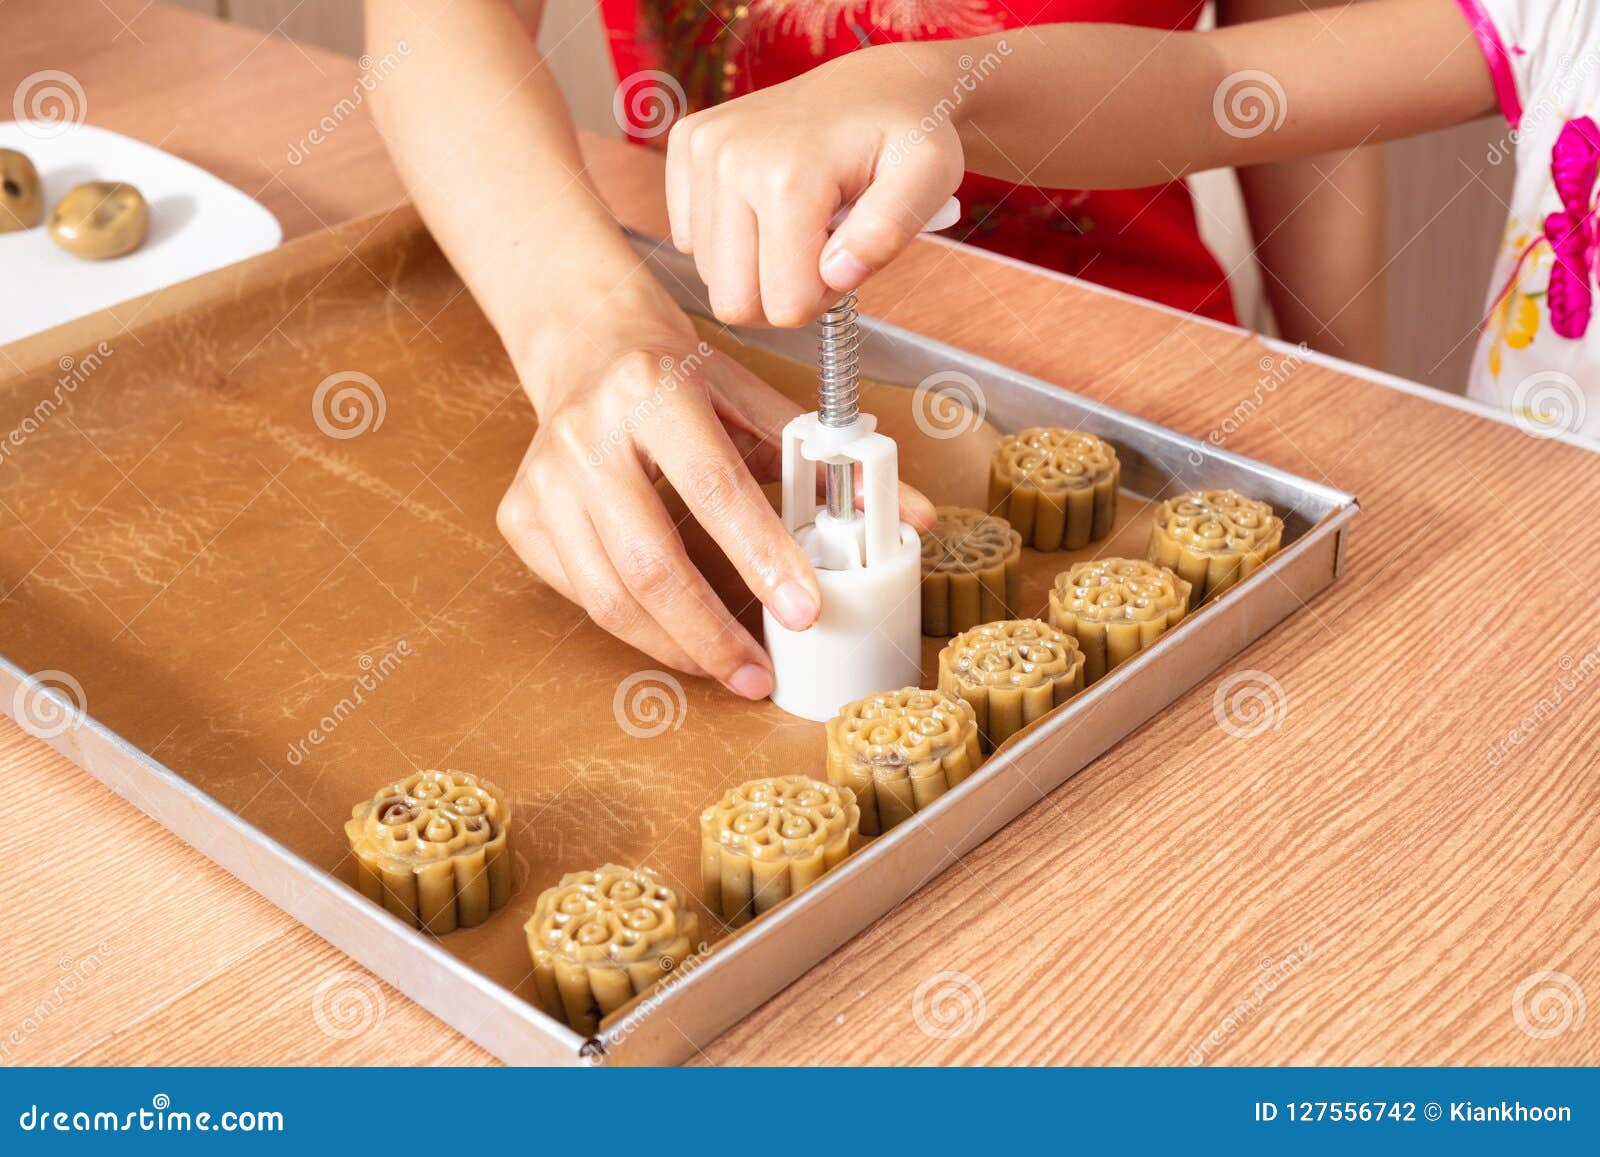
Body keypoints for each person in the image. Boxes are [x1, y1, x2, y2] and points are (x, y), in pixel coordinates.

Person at [364, 0, 1383, 697]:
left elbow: (1292, 68)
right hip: (712, 330)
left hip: (1137, 372)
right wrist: (581, 323)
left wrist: (1355, 403)